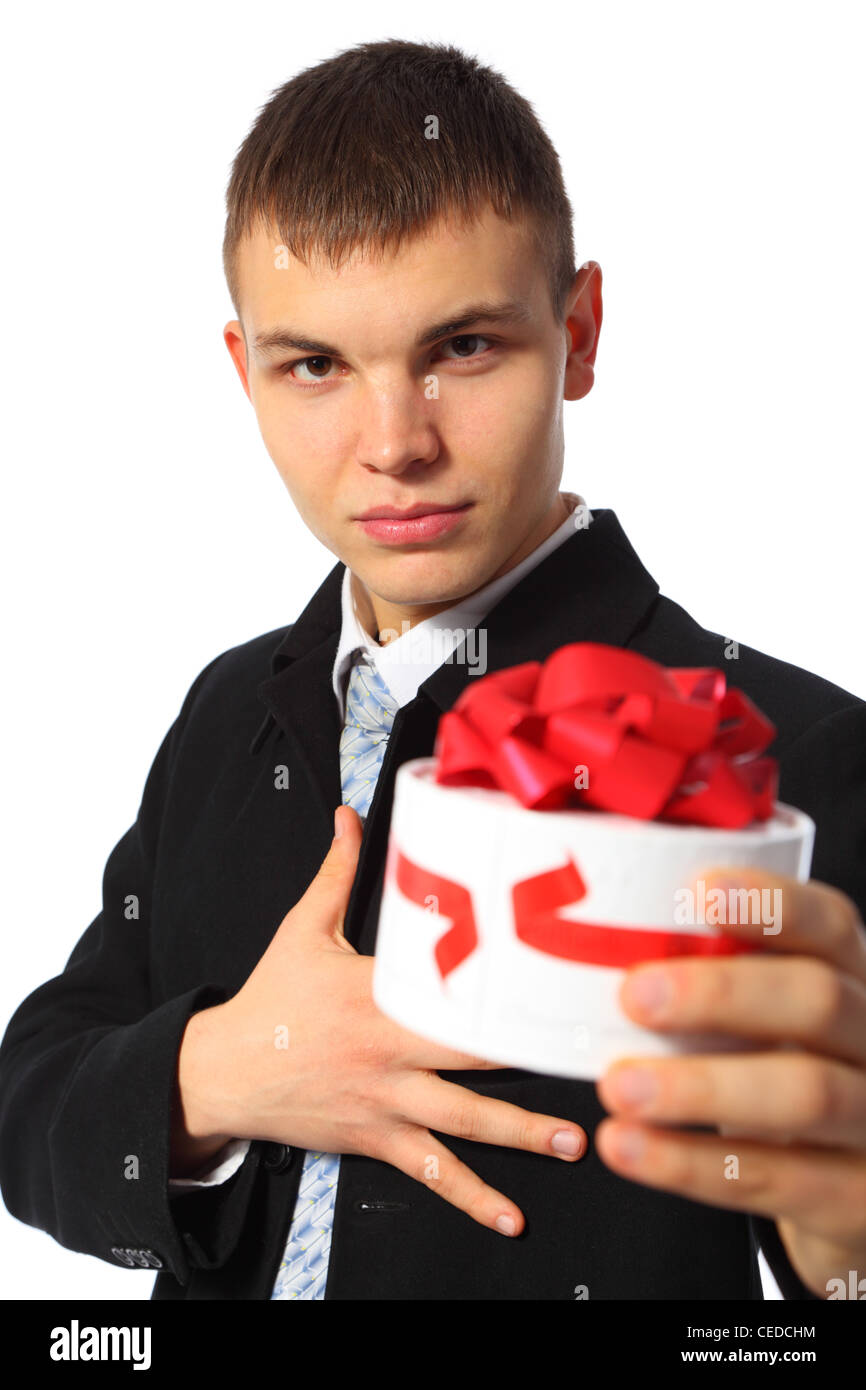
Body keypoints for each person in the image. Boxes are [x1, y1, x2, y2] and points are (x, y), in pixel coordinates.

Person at [1, 38, 864, 1302]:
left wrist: (844, 1247)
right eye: (315, 366)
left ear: (576, 335)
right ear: (243, 376)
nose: (394, 445)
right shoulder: (225, 711)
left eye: (461, 348)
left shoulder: (802, 755)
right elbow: (34, 1098)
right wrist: (222, 1072)